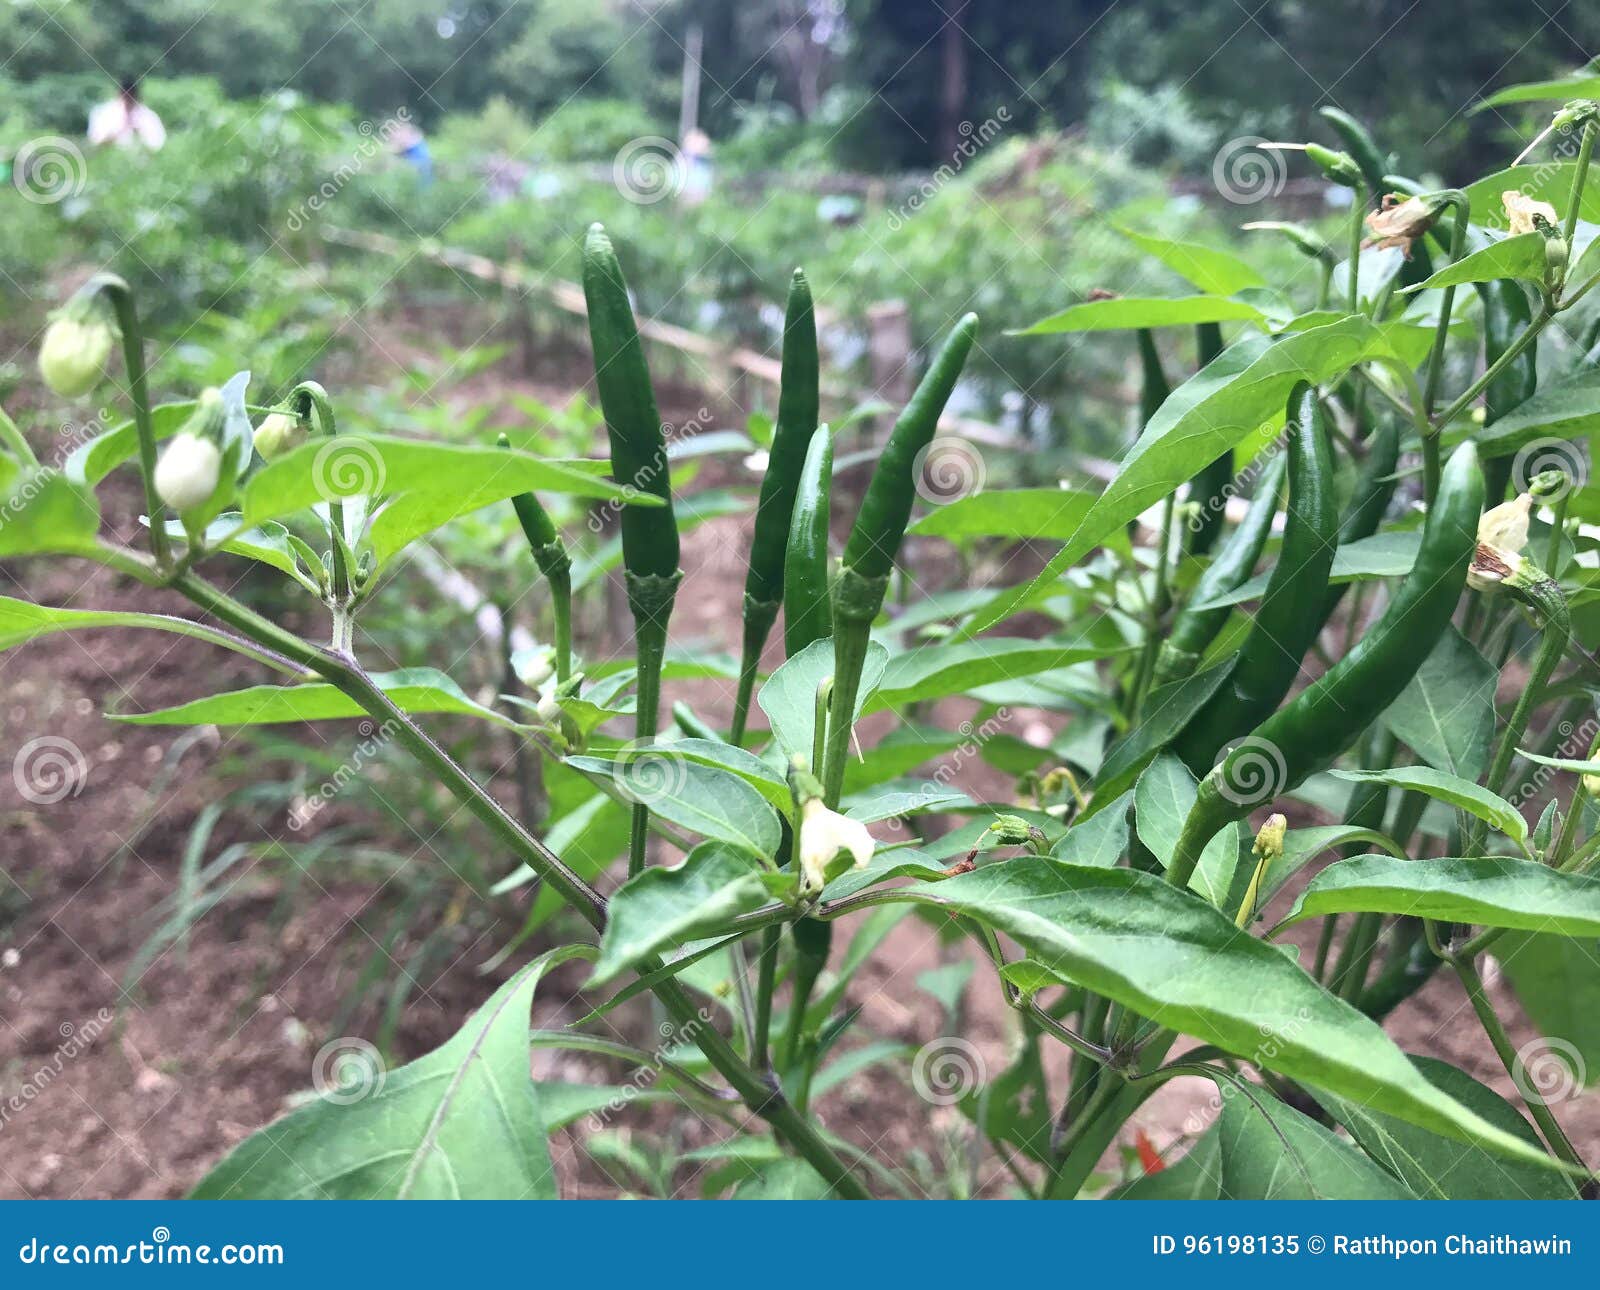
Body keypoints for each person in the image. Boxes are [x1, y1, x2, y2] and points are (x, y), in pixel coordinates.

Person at [87, 79, 166, 151]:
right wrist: (117, 131)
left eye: (131, 94)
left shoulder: (149, 116)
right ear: (119, 93)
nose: (128, 98)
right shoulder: (103, 113)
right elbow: (94, 141)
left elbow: (158, 144)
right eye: (125, 94)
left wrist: (139, 132)